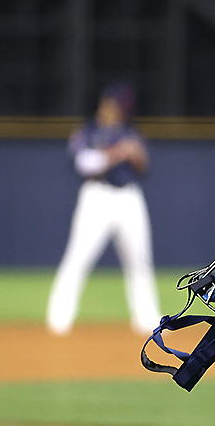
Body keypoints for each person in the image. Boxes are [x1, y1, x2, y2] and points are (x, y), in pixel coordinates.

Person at [46, 83, 161, 335]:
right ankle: (58, 321)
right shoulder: (88, 132)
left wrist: (137, 154)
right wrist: (120, 152)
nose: (116, 109)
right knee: (77, 258)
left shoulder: (131, 132)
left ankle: (148, 320)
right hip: (96, 197)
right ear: (104, 103)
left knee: (140, 261)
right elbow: (84, 164)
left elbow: (144, 168)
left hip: (128, 197)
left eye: (120, 106)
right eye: (113, 104)